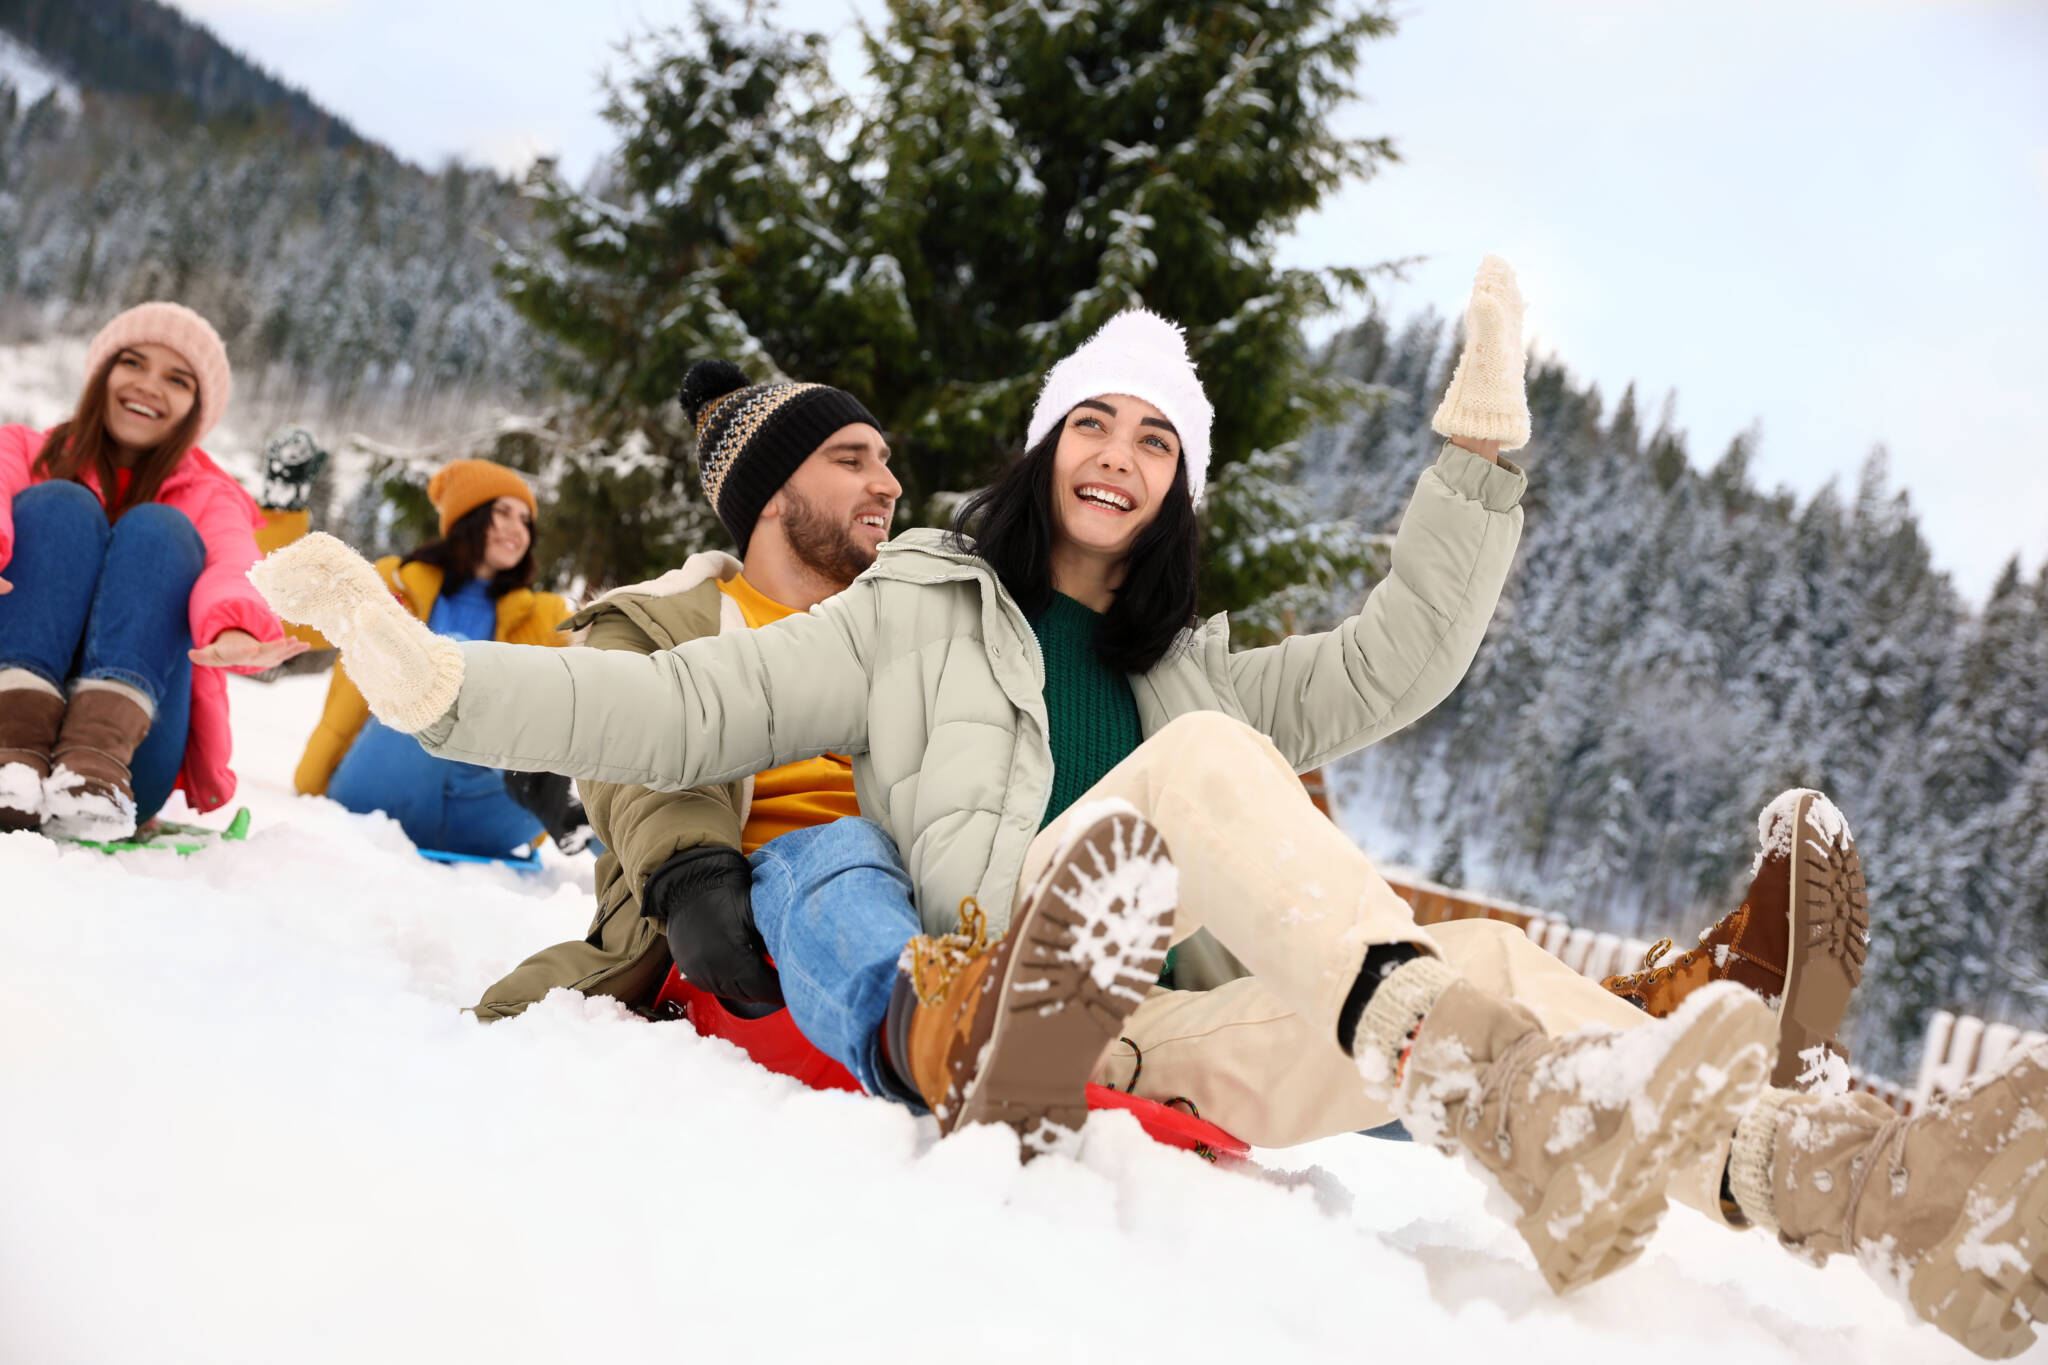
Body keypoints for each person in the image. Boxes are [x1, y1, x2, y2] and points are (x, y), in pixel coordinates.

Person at [252, 265, 2047, 1360]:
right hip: (1006, 965)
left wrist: (1476, 458)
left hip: (1151, 1037)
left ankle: (1886, 1200)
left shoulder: (1195, 663)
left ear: (1177, 481)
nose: (1118, 454)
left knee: (1485, 961)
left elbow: (1397, 658)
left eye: (1156, 437)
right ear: (1043, 449)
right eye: (1091, 420)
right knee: (1198, 789)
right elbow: (668, 702)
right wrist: (435, 680)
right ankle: (1502, 1084)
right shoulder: (909, 609)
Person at [472, 360, 912, 1028]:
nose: (889, 482)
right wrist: (693, 871)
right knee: (844, 852)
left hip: (924, 900)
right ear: (769, 494)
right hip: (758, 920)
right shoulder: (662, 621)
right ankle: (937, 1034)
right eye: (850, 460)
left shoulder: (908, 630)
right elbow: (630, 737)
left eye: (883, 460)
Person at [0, 302, 304, 840]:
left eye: (177, 378)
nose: (148, 386)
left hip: (129, 759)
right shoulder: (22, 450)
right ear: (103, 374)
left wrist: (234, 625)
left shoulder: (212, 498)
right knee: (59, 507)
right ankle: (14, 753)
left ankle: (94, 762)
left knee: (162, 531)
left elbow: (233, 563)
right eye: (133, 363)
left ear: (196, 405)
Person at [289, 459, 572, 859]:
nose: (517, 529)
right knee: (446, 660)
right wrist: (281, 510)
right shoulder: (391, 585)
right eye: (503, 513)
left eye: (526, 520)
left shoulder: (546, 616)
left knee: (577, 750)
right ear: (469, 518)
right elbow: (289, 616)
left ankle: (654, 879)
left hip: (472, 806)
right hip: (374, 780)